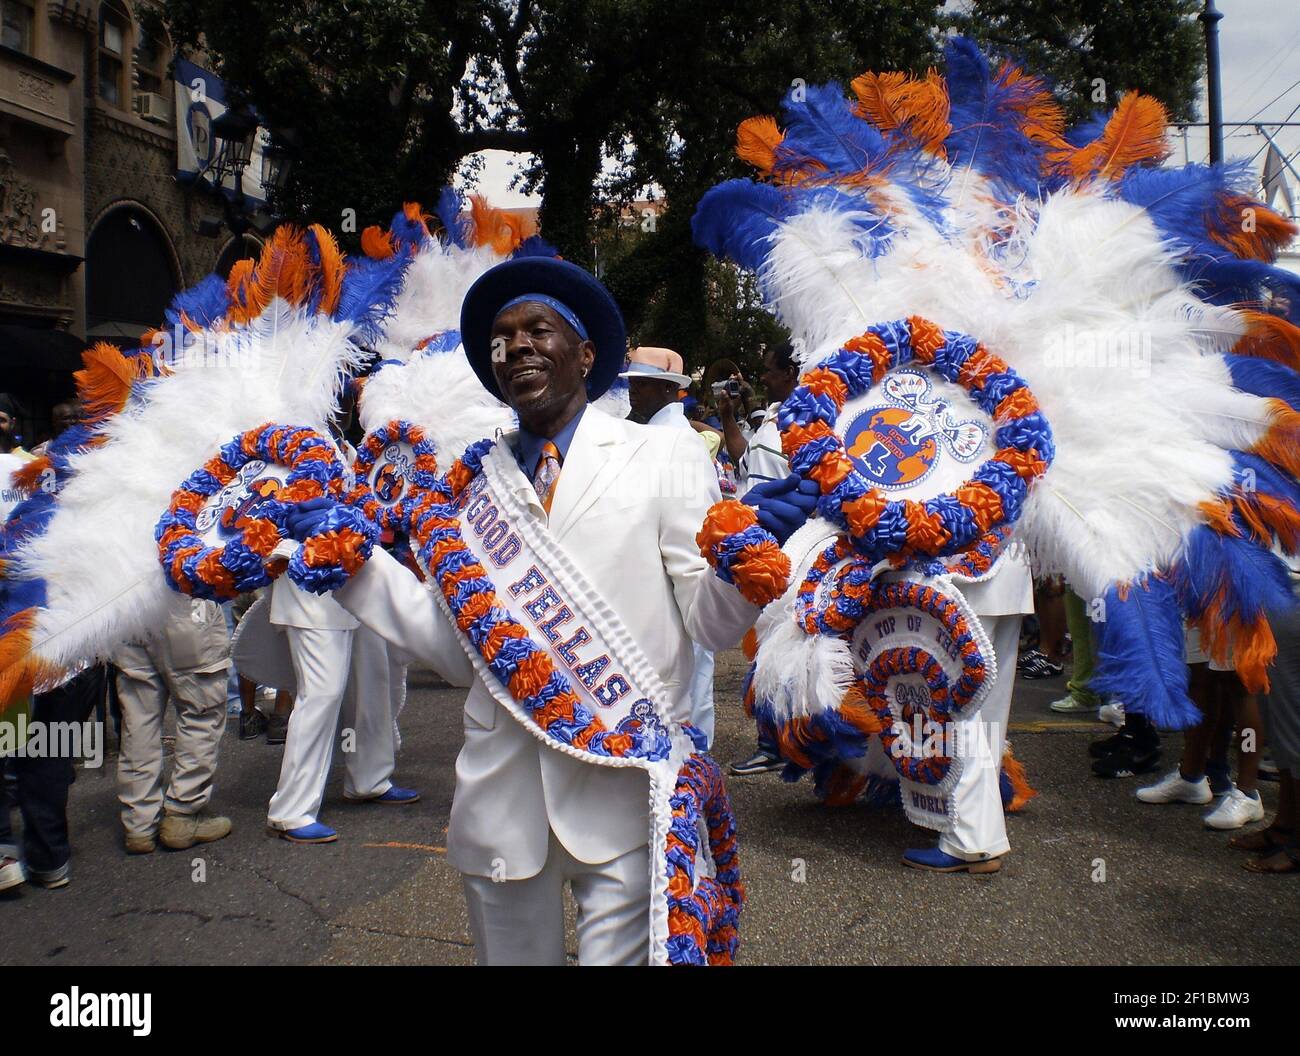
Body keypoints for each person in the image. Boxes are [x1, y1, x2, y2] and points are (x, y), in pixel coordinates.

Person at [292, 257, 811, 964]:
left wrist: (743, 570)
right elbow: (456, 650)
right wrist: (350, 566)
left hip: (625, 788)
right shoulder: (470, 489)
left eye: (540, 329)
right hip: (503, 800)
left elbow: (707, 624)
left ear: (587, 355)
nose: (520, 347)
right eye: (504, 339)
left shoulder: (662, 456)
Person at [902, 548, 1033, 874]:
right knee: (988, 711)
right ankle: (980, 821)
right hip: (1009, 575)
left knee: (956, 710)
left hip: (964, 578)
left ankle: (969, 839)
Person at [265, 578, 418, 843]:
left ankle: (370, 777)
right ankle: (291, 809)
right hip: (310, 582)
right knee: (322, 692)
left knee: (372, 678)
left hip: (359, 577)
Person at [620, 345, 719, 746]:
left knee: (690, 678)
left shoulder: (678, 444)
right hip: (655, 583)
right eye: (632, 385)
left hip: (679, 581)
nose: (632, 393)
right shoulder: (651, 435)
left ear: (666, 389)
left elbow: (695, 534)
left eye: (641, 386)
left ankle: (693, 767)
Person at [721, 343, 801, 776]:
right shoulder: (773, 415)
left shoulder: (808, 418)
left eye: (770, 371)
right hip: (761, 545)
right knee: (765, 646)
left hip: (785, 547)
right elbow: (743, 460)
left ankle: (779, 745)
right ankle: (779, 742)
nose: (763, 378)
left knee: (778, 646)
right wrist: (731, 413)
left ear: (790, 371)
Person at [114, 593, 233, 854]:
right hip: (184, 602)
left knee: (139, 718)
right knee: (201, 710)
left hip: (128, 607)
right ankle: (183, 812)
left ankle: (139, 824)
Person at [0, 666, 107, 890]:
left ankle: (5, 855)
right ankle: (48, 858)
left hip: (18, 658)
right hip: (71, 654)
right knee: (49, 751)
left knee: (36, 749)